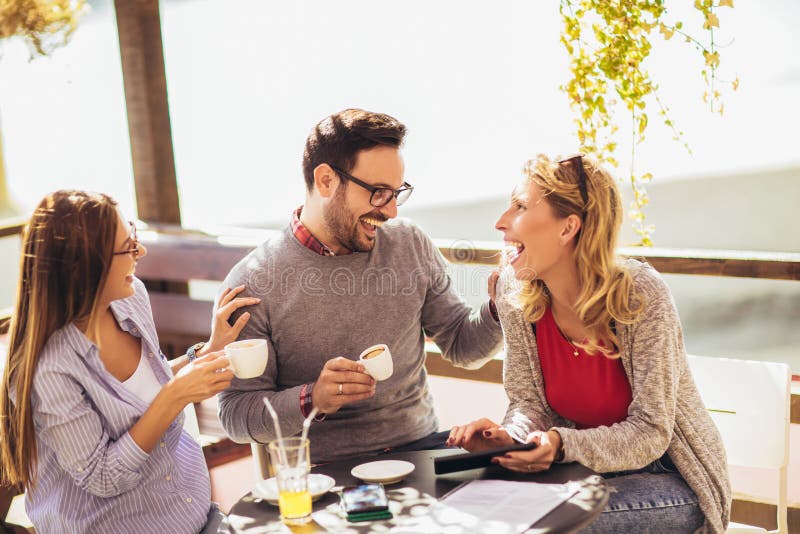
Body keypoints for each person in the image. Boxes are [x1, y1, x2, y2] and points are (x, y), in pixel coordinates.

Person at [448, 154, 731, 533]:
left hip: (671, 478)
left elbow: (651, 432)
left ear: (568, 228)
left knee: (545, 524)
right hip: (578, 472)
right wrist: (511, 439)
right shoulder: (514, 292)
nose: (500, 221)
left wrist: (560, 445)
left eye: (519, 206)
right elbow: (528, 403)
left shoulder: (639, 296)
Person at [218, 108, 503, 463]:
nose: (392, 212)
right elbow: (236, 415)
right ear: (325, 181)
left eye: (397, 193)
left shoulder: (408, 242)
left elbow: (463, 346)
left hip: (422, 454)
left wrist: (496, 308)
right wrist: (312, 398)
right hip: (326, 476)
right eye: (379, 193)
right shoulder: (253, 282)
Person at [0, 190, 259, 533]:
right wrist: (176, 396)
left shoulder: (130, 297)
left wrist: (209, 349)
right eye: (128, 247)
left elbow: (149, 385)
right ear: (86, 267)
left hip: (194, 517)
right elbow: (104, 476)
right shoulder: (49, 370)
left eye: (134, 237)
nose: (142, 252)